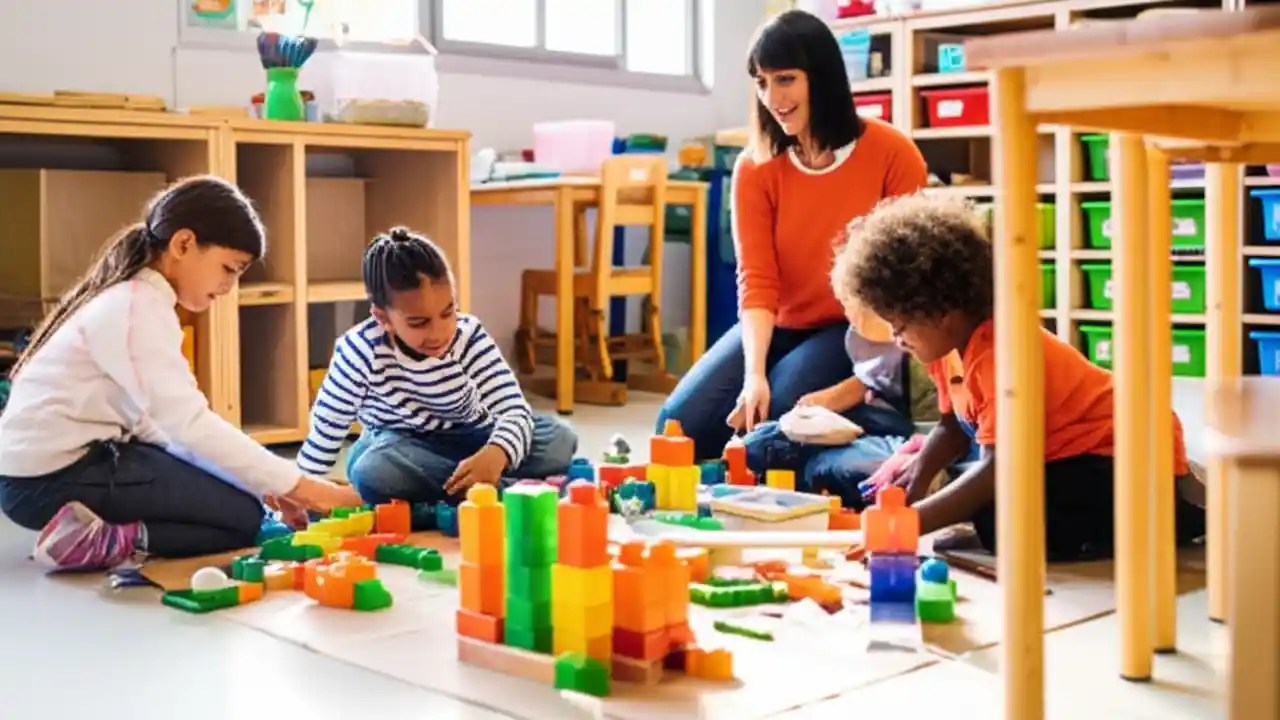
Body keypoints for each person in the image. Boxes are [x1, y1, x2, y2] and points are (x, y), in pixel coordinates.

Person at [0, 175, 361, 571]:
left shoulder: (138, 299)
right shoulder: (136, 308)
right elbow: (189, 423)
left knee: (247, 503)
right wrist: (307, 489)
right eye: (229, 268)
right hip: (48, 481)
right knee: (242, 519)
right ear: (183, 244)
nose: (229, 286)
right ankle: (110, 539)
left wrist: (264, 484)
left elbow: (163, 428)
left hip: (53, 470)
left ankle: (119, 526)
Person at [830, 193, 1206, 561]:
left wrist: (908, 525)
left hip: (1123, 461)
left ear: (940, 311)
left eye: (901, 324)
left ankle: (1170, 517)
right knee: (981, 497)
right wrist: (917, 479)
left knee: (999, 515)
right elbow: (952, 426)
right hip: (1058, 458)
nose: (897, 338)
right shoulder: (946, 352)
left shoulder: (1001, 354)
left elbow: (1000, 468)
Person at [656, 8, 928, 460]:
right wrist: (753, 374)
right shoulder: (755, 167)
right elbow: (757, 280)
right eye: (761, 82)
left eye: (785, 79)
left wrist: (858, 383)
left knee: (776, 420)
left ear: (819, 78)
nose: (772, 97)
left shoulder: (891, 153)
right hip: (779, 324)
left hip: (851, 331)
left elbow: (912, 286)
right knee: (676, 427)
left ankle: (868, 409)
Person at [298, 227, 578, 506]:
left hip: (472, 434)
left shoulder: (468, 336)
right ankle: (508, 491)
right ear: (382, 317)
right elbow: (327, 428)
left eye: (448, 313)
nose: (439, 332)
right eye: (419, 323)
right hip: (401, 445)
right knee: (371, 469)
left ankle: (467, 486)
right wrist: (300, 491)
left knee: (560, 438)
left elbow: (513, 409)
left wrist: (497, 451)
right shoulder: (359, 351)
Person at [741, 320, 921, 508]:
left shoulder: (929, 343)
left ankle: (812, 475)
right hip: (879, 425)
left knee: (836, 468)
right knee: (755, 445)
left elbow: (944, 433)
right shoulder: (863, 336)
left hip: (906, 441)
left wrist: (918, 459)